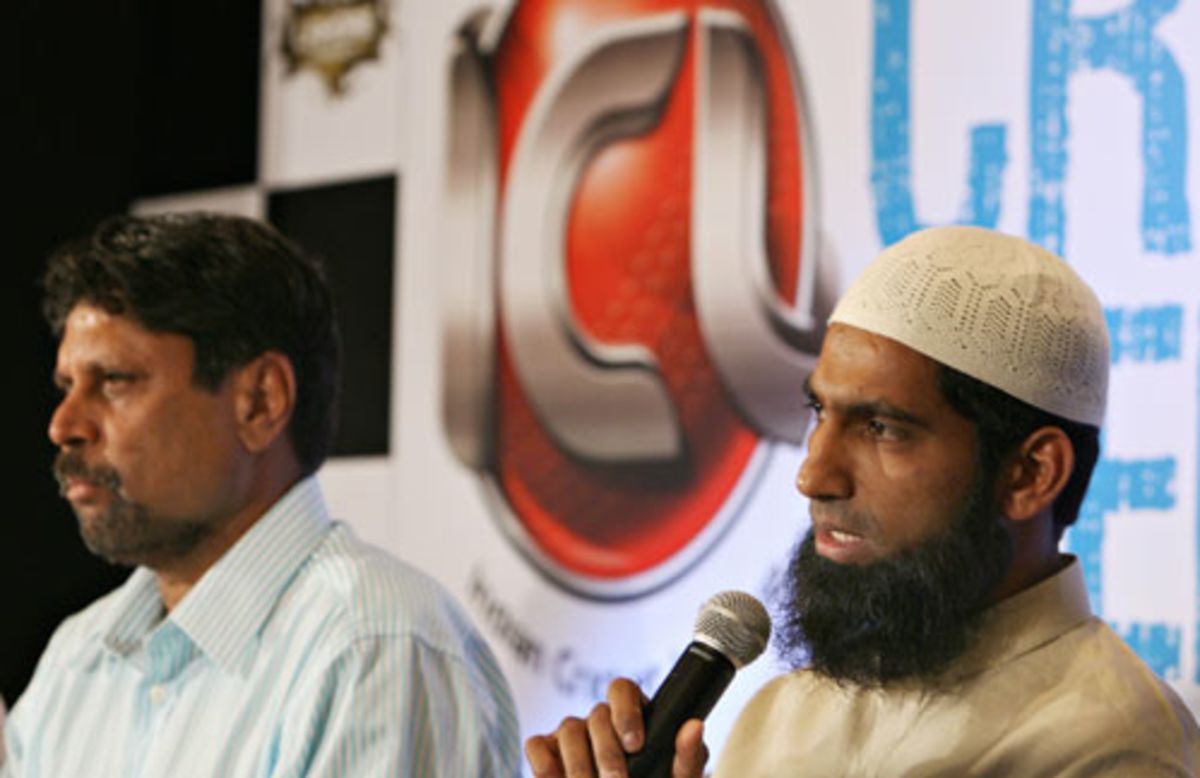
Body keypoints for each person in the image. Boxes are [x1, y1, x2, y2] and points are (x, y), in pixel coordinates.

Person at [525, 226, 1200, 777]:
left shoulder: (1115, 746)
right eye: (820, 412)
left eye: (881, 427)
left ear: (1030, 474)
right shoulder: (783, 715)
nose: (813, 475)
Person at [2, 213, 519, 776]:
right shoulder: (77, 658)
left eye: (114, 381)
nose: (64, 424)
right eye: (66, 386)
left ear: (261, 402)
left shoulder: (374, 646)